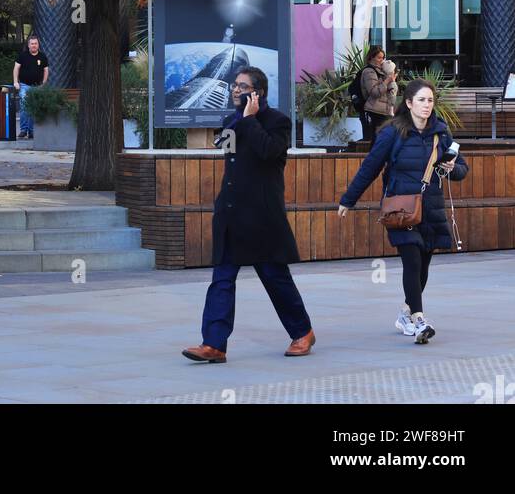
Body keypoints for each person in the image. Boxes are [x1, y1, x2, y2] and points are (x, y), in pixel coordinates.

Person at [182, 67, 315, 363]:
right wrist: (239, 121)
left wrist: (250, 120)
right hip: (230, 214)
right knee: (222, 279)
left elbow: (269, 152)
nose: (235, 90)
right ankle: (214, 344)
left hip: (261, 217)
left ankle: (303, 331)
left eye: (242, 86)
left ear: (258, 92)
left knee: (274, 278)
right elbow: (222, 146)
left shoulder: (277, 122)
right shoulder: (233, 120)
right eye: (234, 86)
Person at [338, 78, 468, 343]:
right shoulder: (392, 132)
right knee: (412, 260)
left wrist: (453, 169)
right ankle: (419, 320)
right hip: (400, 207)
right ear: (408, 103)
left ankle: (406, 312)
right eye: (421, 100)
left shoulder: (441, 134)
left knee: (424, 265)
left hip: (430, 207)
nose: (426, 105)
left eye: (430, 100)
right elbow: (370, 167)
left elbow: (461, 170)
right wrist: (348, 199)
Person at [13, 34, 49, 139]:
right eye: (32, 44)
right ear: (28, 45)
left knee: (33, 108)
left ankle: (32, 131)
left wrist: (44, 83)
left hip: (37, 87)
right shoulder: (22, 56)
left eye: (35, 44)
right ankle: (23, 130)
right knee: (24, 107)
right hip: (24, 86)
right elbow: (16, 68)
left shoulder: (42, 57)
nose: (34, 45)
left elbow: (46, 70)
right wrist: (15, 82)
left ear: (38, 45)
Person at [361, 47, 397, 141]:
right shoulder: (369, 71)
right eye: (379, 58)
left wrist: (392, 81)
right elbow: (374, 92)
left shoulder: (381, 72)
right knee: (377, 139)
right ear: (371, 58)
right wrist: (387, 81)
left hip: (384, 110)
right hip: (375, 111)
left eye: (383, 58)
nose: (381, 61)